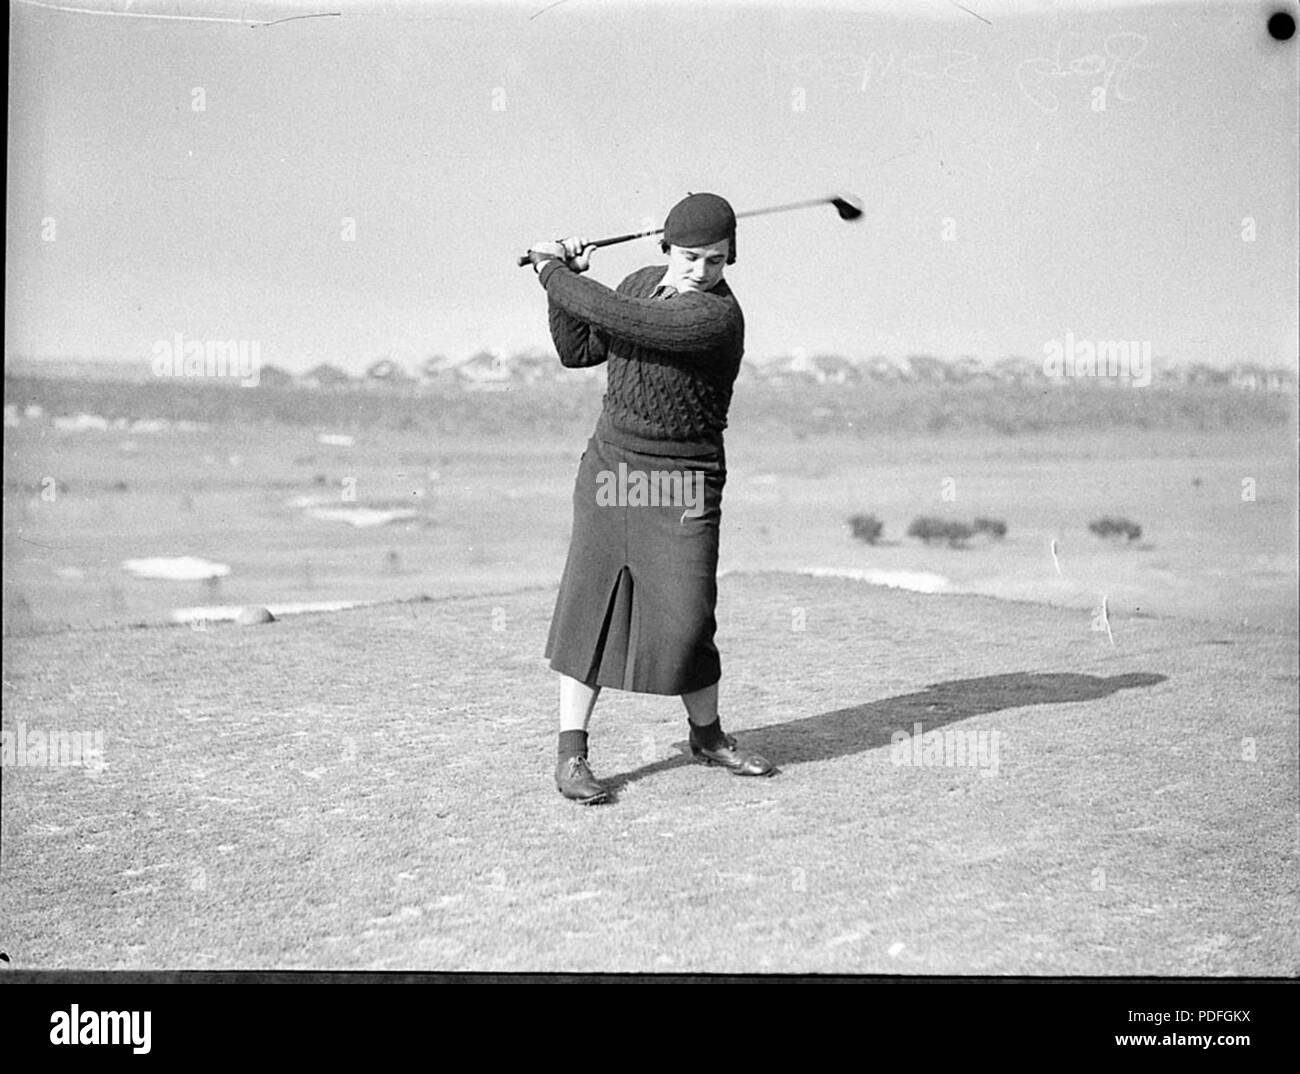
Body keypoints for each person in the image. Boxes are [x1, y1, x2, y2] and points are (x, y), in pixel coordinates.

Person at [527, 192, 776, 805]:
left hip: (684, 480)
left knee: (689, 618)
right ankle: (572, 755)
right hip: (613, 469)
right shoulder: (637, 283)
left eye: (716, 260)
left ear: (730, 259)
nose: (701, 271)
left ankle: (708, 737)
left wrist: (553, 271)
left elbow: (624, 321)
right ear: (666, 248)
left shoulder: (715, 318)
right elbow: (578, 348)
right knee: (591, 605)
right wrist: (559, 285)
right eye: (690, 257)